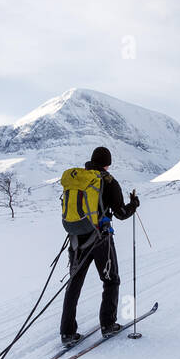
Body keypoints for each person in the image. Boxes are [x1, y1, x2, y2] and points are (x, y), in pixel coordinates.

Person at [59, 146, 139, 343]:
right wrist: (134, 204)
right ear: (107, 163)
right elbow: (120, 214)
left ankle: (67, 333)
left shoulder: (79, 178)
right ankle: (108, 325)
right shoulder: (109, 181)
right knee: (111, 280)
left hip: (77, 238)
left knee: (74, 283)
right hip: (101, 240)